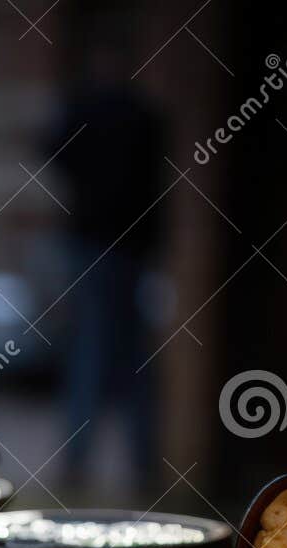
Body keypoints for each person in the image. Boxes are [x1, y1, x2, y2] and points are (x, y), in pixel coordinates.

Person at [45, 41, 166, 494]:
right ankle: (141, 464)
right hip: (130, 250)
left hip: (97, 245)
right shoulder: (143, 114)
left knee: (93, 354)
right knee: (132, 359)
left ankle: (82, 464)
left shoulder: (87, 110)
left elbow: (51, 149)